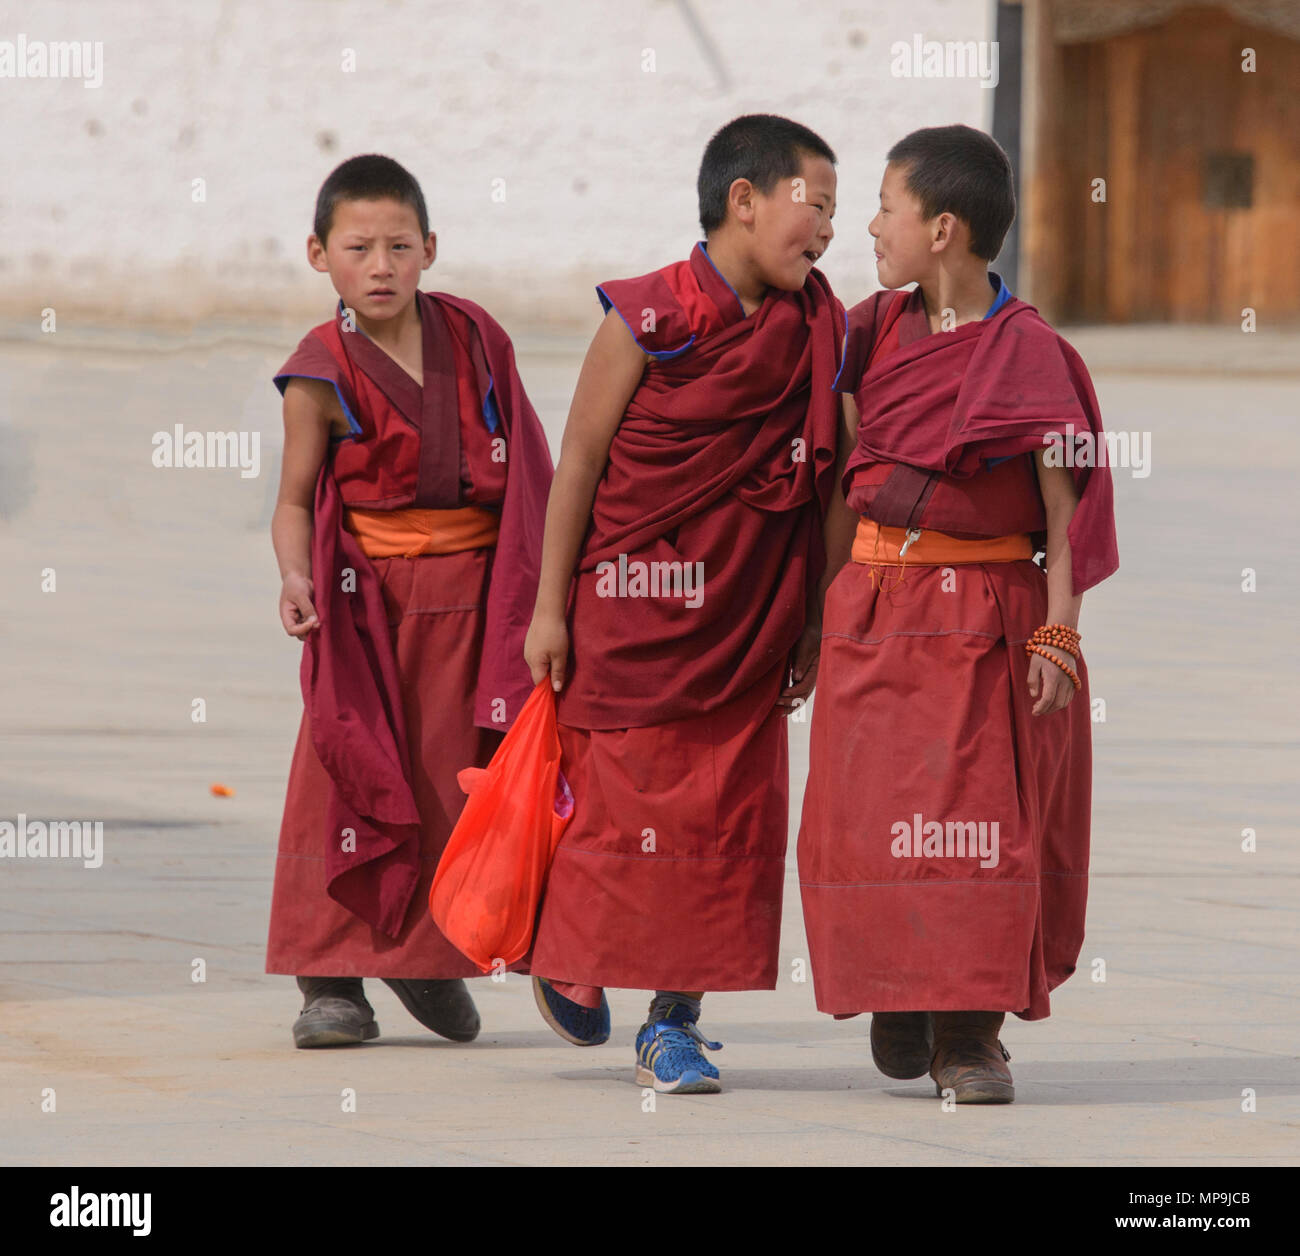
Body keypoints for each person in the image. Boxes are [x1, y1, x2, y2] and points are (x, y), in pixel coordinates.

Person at [797, 124, 1119, 1103]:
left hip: (988, 616)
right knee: (864, 821)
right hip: (875, 605)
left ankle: (970, 1035)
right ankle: (900, 992)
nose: (869, 226)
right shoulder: (868, 332)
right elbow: (843, 485)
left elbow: (1065, 509)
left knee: (980, 826)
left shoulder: (1031, 354)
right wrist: (817, 617)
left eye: (885, 208)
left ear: (942, 228)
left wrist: (1060, 631)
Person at [523, 114, 844, 1094]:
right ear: (742, 200)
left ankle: (673, 1020)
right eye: (814, 205)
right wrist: (548, 609)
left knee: (725, 825)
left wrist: (815, 623)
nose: (827, 231)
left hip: (748, 621)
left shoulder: (818, 327)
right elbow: (576, 461)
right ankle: (566, 946)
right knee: (618, 818)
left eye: (836, 212)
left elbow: (831, 485)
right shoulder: (643, 319)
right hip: (630, 611)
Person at [265, 154, 553, 1047]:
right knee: (341, 772)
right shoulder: (320, 368)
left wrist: (543, 599)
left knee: (447, 784)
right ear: (320, 255)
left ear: (431, 249)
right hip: (368, 607)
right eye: (359, 247)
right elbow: (293, 500)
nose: (380, 265)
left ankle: (427, 964)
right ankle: (332, 983)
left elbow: (532, 473)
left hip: (474, 601)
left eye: (399, 245)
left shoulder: (475, 339)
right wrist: (296, 576)